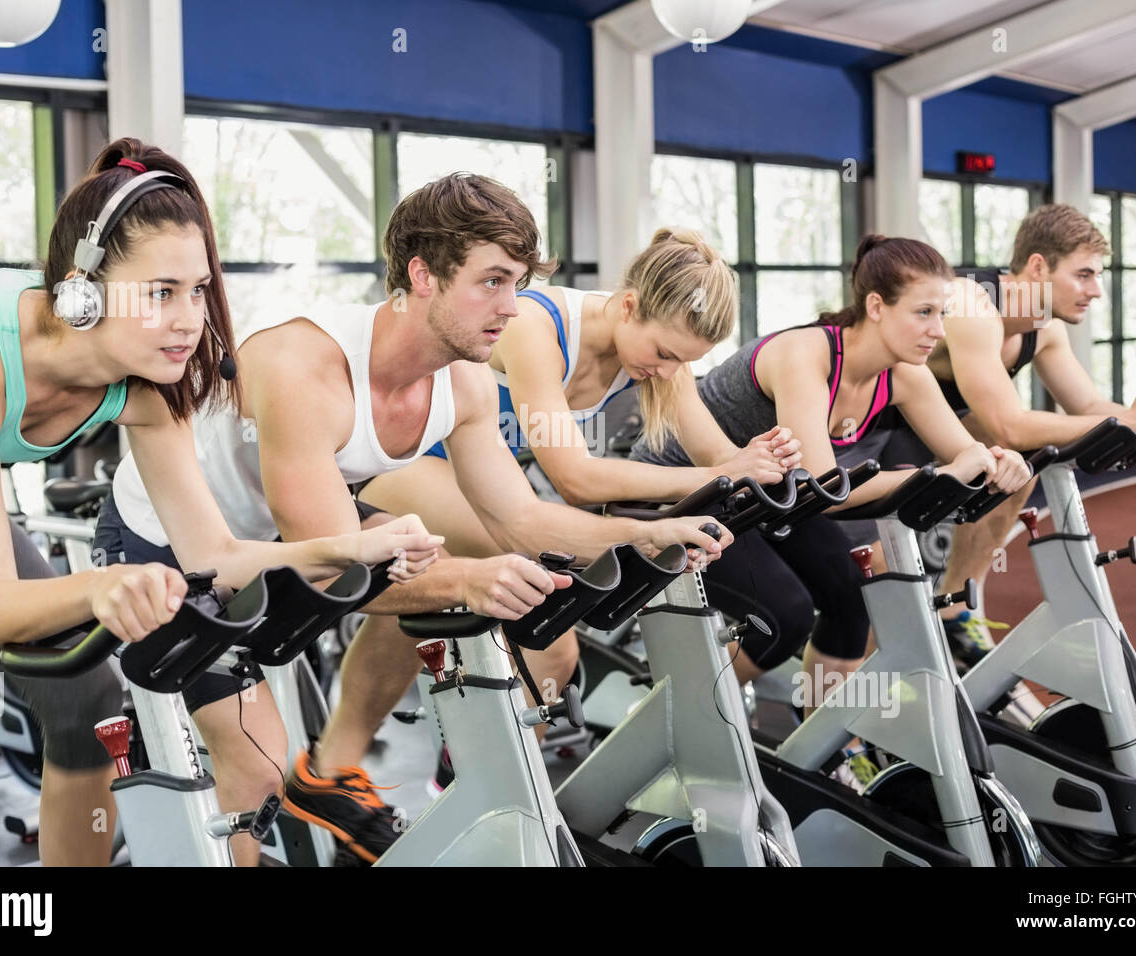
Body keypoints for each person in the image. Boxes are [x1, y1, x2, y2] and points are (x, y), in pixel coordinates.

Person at [102, 172, 731, 864]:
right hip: (165, 538)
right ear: (422, 274)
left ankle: (331, 770)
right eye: (492, 281)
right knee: (255, 764)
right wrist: (468, 582)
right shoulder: (306, 366)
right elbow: (334, 568)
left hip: (275, 536)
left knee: (425, 558)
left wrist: (645, 533)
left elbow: (521, 520)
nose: (511, 307)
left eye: (518, 283)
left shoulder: (463, 383)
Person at [0, 138, 439, 867]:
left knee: (84, 704)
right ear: (81, 288)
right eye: (161, 292)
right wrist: (102, 584)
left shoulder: (150, 388)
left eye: (197, 289)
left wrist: (346, 545)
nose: (190, 319)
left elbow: (212, 556)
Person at [359, 226, 801, 709]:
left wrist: (765, 461)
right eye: (666, 355)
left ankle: (347, 760)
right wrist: (718, 475)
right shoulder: (536, 325)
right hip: (413, 465)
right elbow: (575, 479)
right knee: (545, 617)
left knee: (412, 607)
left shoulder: (657, 359)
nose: (672, 372)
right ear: (629, 306)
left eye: (685, 362)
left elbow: (718, 459)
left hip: (484, 480)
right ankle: (480, 765)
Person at [632, 234, 1031, 714]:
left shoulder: (904, 374)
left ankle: (821, 742)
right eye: (923, 313)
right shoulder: (807, 355)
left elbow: (966, 455)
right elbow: (824, 485)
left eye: (942, 315)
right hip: (676, 490)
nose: (938, 331)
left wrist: (1000, 462)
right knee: (787, 617)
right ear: (877, 306)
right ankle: (673, 715)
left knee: (852, 594)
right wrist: (943, 472)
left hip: (761, 496)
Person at [894, 204, 1136, 662]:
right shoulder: (972, 305)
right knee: (1010, 443)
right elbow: (1006, 423)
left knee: (1019, 467)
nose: (1095, 291)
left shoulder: (1043, 328)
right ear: (1037, 266)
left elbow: (1088, 407)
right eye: (1084, 275)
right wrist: (1132, 419)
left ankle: (954, 607)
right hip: (874, 425)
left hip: (934, 422)